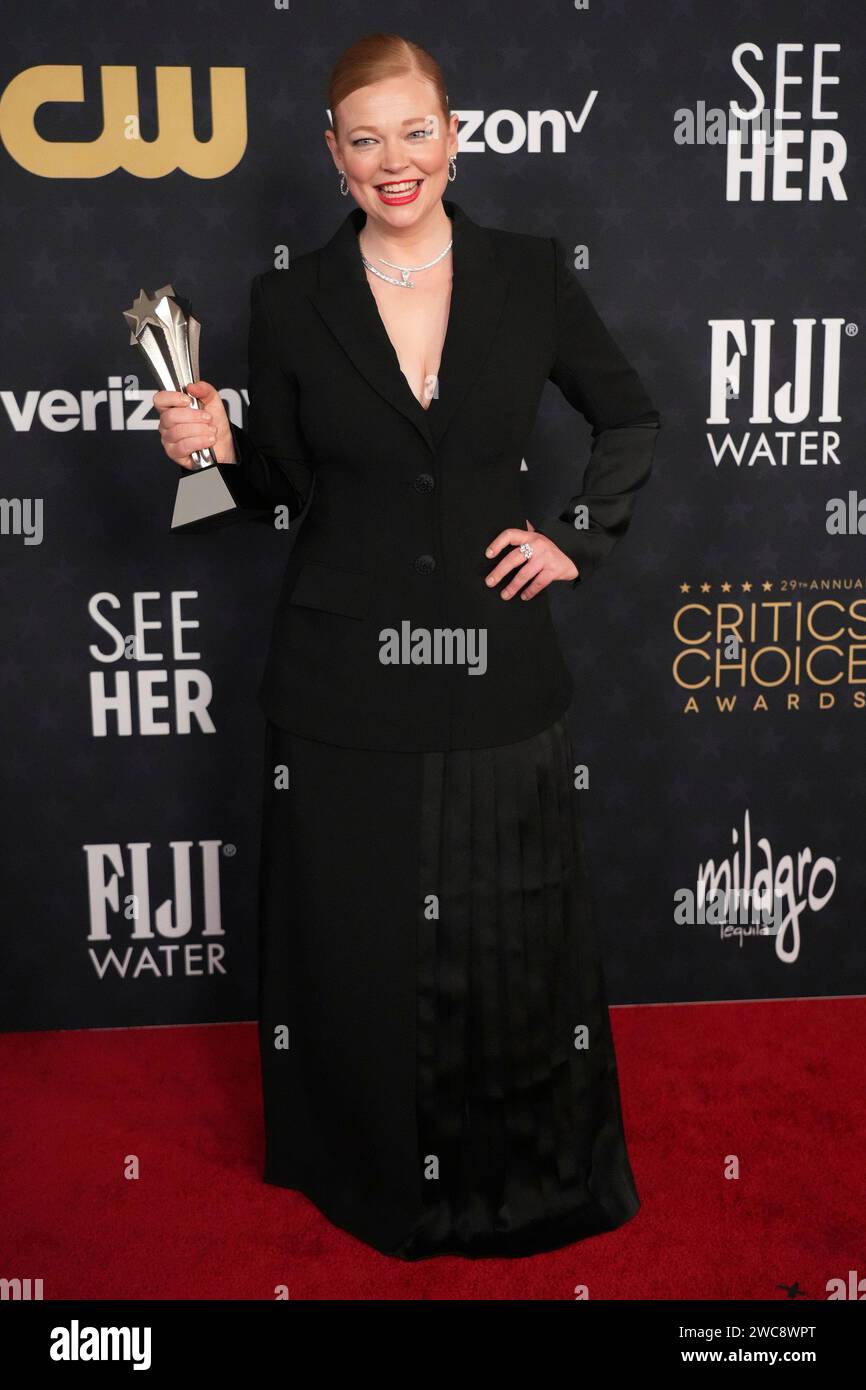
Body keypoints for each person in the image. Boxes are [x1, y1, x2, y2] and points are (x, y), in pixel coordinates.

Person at [153, 32, 661, 1260]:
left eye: (414, 131)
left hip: (495, 661)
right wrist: (210, 450)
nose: (395, 160)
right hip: (342, 680)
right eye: (364, 138)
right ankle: (362, 1171)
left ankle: (527, 1175)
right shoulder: (289, 301)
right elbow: (279, 494)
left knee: (509, 932)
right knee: (356, 939)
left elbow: (630, 417)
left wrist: (573, 538)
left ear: (454, 136)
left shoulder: (532, 274)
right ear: (334, 158)